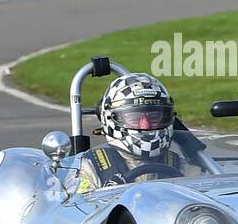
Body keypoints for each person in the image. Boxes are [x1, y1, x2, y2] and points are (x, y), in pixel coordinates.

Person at [73, 73, 208, 193]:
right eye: (135, 118)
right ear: (111, 119)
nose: (146, 125)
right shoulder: (90, 167)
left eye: (154, 117)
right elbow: (75, 216)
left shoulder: (182, 167)